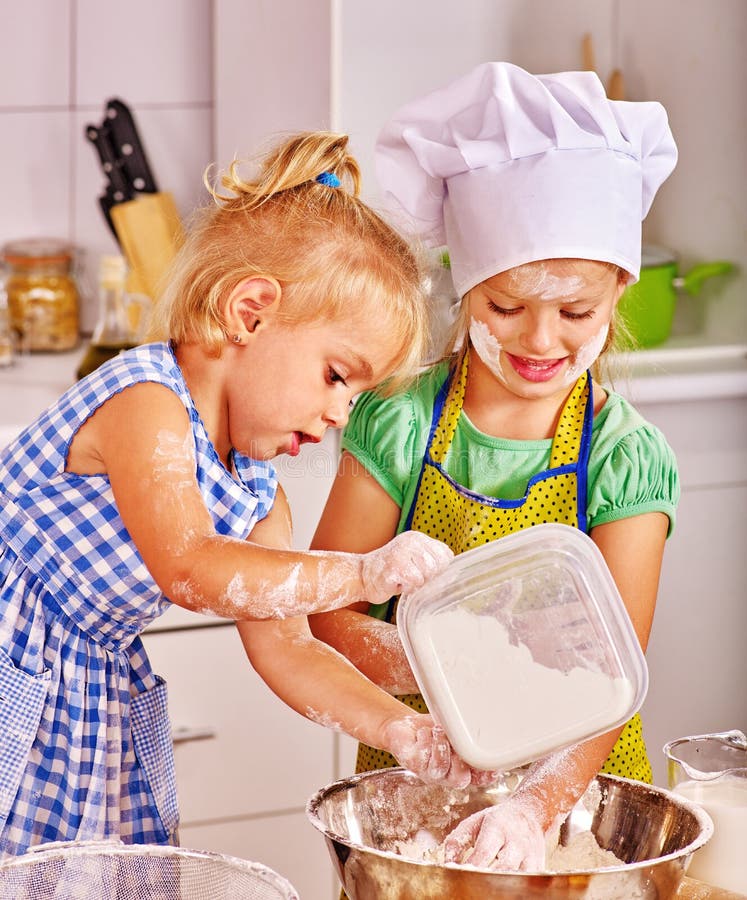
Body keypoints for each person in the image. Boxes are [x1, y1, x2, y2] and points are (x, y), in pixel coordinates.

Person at [0, 131, 495, 858]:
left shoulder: (259, 495)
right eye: (336, 376)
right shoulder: (147, 402)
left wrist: (400, 728)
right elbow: (190, 568)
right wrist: (360, 573)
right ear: (250, 312)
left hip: (82, 695)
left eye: (356, 399)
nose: (338, 418)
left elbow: (289, 650)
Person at [310, 63, 680, 871]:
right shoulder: (398, 422)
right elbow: (329, 614)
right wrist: (441, 679)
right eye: (503, 307)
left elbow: (612, 676)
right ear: (463, 287)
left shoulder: (623, 459)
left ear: (619, 288)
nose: (539, 341)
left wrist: (532, 806)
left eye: (574, 311)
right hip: (421, 776)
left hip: (573, 793)